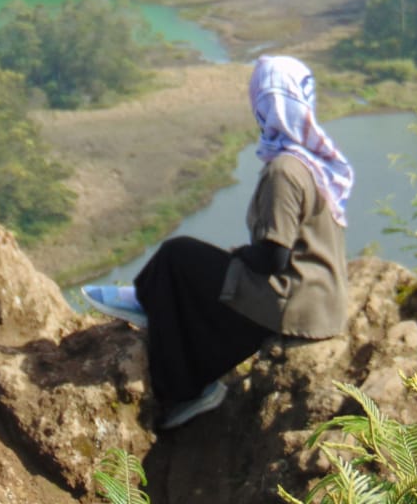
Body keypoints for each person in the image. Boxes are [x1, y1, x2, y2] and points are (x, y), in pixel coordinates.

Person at [82, 54, 352, 429]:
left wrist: (238, 258)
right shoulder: (310, 163)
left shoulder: (284, 170)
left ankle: (182, 380)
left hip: (292, 300)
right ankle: (151, 305)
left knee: (177, 257)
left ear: (265, 104)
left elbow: (273, 257)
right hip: (319, 301)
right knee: (199, 266)